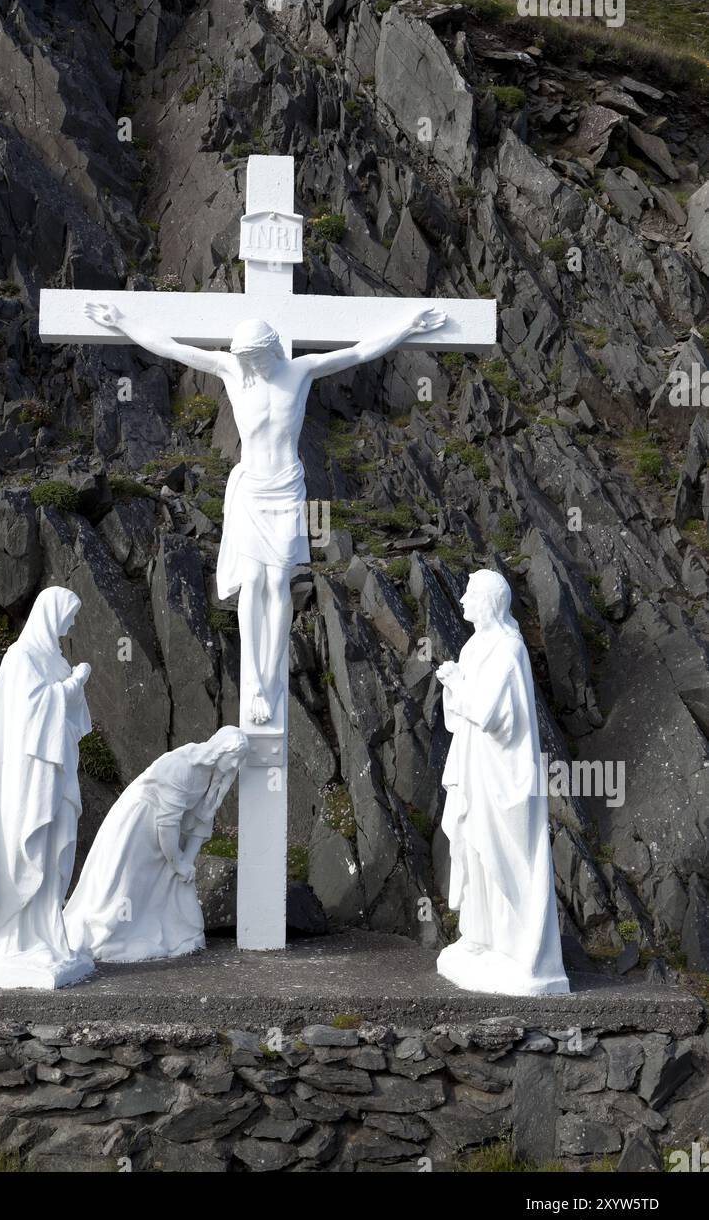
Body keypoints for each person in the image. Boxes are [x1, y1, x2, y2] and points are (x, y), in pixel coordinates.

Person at [84, 301, 443, 724]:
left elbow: (361, 351)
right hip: (252, 489)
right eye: (244, 358)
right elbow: (171, 348)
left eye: (254, 357)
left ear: (271, 350)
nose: (248, 365)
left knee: (278, 582)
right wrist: (123, 321)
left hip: (287, 488)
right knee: (252, 581)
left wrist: (407, 326)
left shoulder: (302, 371)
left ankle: (271, 676)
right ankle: (253, 679)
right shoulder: (232, 371)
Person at [435, 569, 570, 996]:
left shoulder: (509, 650)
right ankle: (480, 937)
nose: (461, 601)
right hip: (476, 766)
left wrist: (456, 681)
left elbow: (492, 715)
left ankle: (518, 949)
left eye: (470, 594)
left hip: (503, 775)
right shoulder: (475, 646)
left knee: (505, 855)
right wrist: (452, 687)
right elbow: (462, 715)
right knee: (474, 848)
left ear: (490, 602)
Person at [0, 587, 94, 989]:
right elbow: (31, 713)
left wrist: (72, 684)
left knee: (56, 851)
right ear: (51, 614)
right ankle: (15, 938)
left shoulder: (53, 658)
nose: (71, 624)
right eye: (68, 615)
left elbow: (71, 723)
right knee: (28, 848)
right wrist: (74, 684)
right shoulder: (21, 658)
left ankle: (45, 937)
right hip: (28, 777)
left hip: (55, 772)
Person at [64, 726, 249, 962]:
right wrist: (178, 862)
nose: (234, 766)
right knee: (126, 883)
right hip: (140, 824)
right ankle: (111, 935)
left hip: (169, 837)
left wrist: (186, 863)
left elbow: (203, 821)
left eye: (238, 762)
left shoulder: (216, 778)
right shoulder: (183, 767)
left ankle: (166, 932)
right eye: (232, 759)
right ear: (218, 751)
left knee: (162, 887)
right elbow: (167, 824)